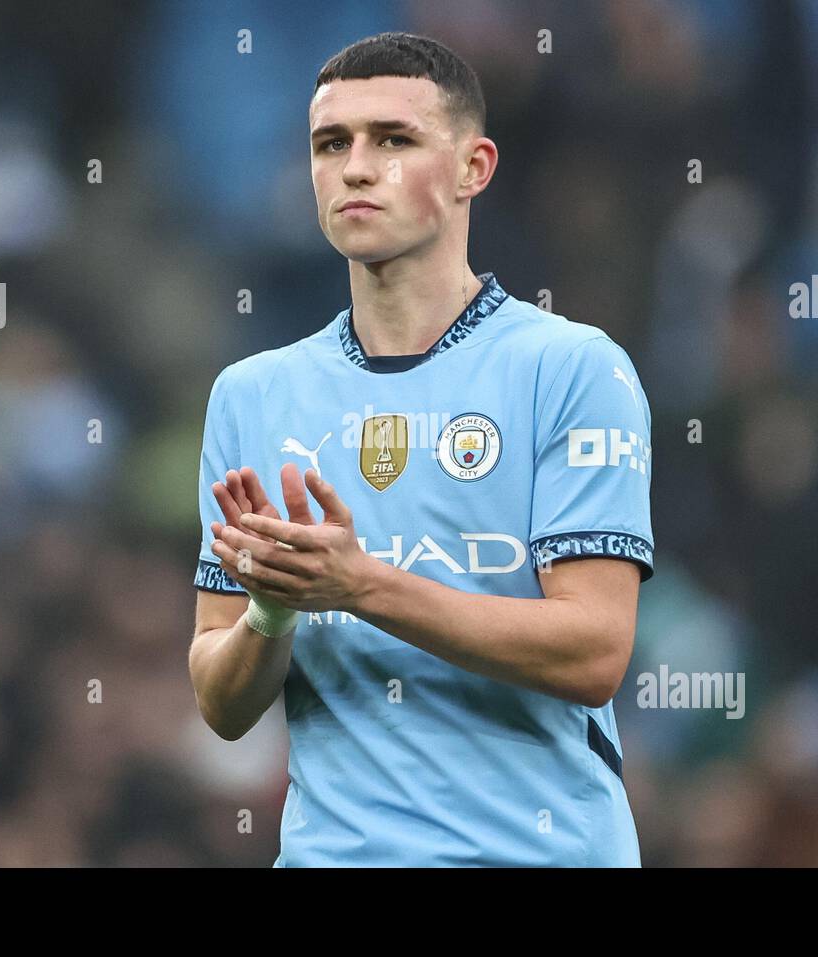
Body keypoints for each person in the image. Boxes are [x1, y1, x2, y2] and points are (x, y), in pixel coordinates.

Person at [189, 32, 654, 866]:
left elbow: (596, 651)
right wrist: (272, 609)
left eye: (393, 140)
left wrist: (360, 583)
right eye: (332, 145)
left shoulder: (571, 368)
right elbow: (221, 705)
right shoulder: (252, 394)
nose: (356, 167)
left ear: (475, 168)